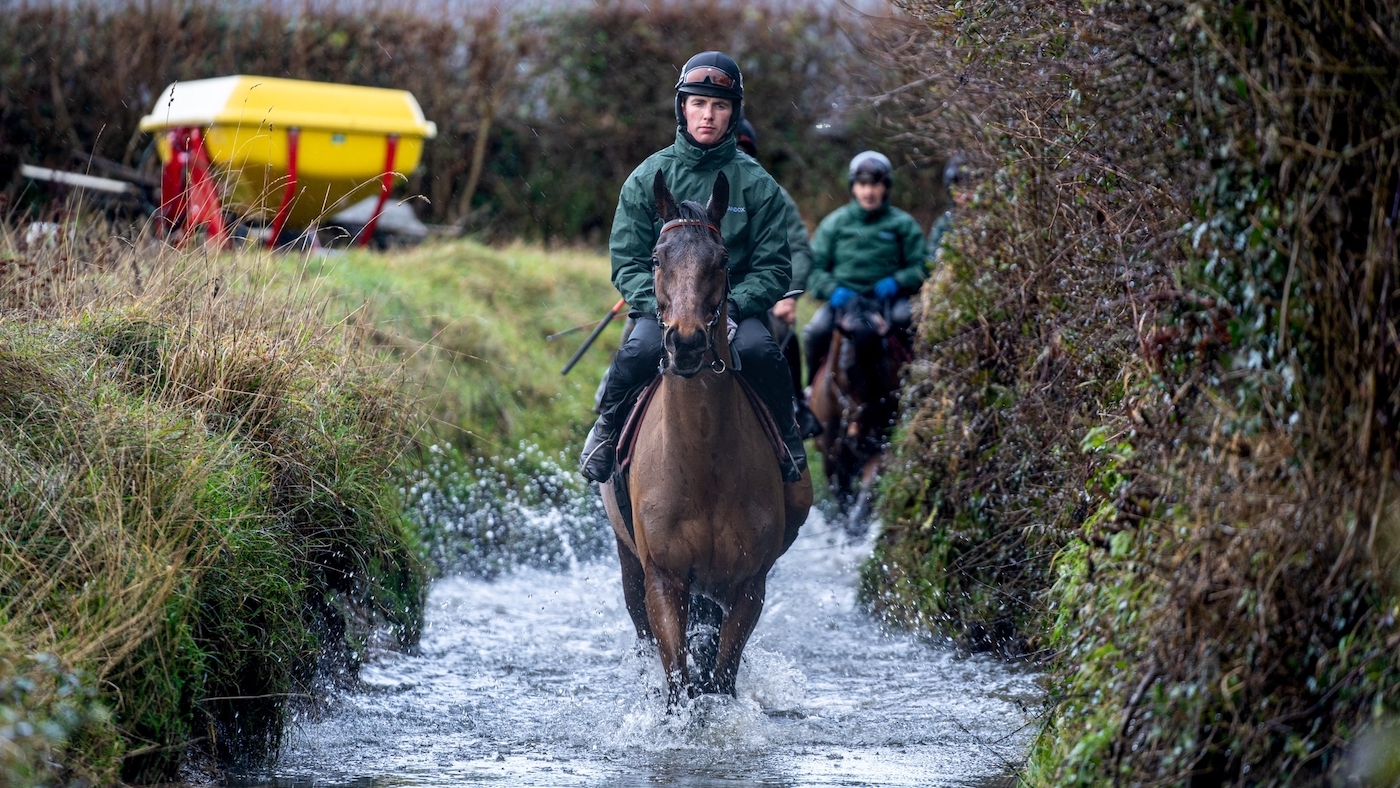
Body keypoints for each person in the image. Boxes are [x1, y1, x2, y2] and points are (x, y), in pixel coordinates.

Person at [579, 51, 808, 485]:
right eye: (698, 103)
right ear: (682, 107)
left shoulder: (758, 185)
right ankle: (606, 432)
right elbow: (626, 261)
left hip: (735, 307)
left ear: (733, 113)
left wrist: (736, 307)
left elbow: (776, 267)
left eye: (720, 106)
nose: (708, 115)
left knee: (765, 354)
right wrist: (662, 306)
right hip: (664, 308)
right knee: (637, 353)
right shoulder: (646, 177)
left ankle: (788, 439)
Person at [802, 151, 928, 384]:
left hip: (888, 299)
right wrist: (831, 290)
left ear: (886, 187)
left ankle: (915, 388)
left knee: (908, 321)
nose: (869, 192)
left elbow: (922, 265)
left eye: (875, 184)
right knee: (816, 331)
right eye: (862, 184)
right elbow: (814, 268)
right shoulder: (834, 224)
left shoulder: (902, 224)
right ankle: (810, 392)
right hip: (845, 299)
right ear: (853, 187)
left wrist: (898, 281)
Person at [734, 119, 821, 438]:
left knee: (785, 336)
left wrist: (788, 295)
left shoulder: (773, 194)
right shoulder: (693, 185)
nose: (737, 156)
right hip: (701, 299)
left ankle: (794, 408)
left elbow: (798, 248)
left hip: (763, 299)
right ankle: (612, 406)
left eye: (744, 150)